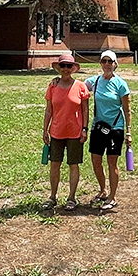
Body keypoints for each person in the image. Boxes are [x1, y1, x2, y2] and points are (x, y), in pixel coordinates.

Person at [85, 50, 132, 213]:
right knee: (95, 161)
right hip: (98, 127)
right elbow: (77, 87)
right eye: (103, 61)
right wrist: (59, 80)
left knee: (112, 162)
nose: (106, 64)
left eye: (109, 61)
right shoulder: (95, 81)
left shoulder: (120, 84)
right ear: (100, 63)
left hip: (115, 128)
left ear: (115, 64)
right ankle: (103, 190)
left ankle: (112, 196)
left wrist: (128, 132)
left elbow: (127, 110)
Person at [42, 52, 90, 210]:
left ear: (74, 68)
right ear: (58, 68)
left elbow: (85, 110)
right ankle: (53, 196)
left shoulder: (80, 87)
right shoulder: (53, 86)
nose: (66, 69)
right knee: (55, 164)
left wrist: (84, 129)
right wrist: (45, 129)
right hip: (56, 132)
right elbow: (49, 110)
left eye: (69, 66)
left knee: (73, 164)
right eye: (63, 65)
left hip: (75, 132)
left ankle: (71, 198)